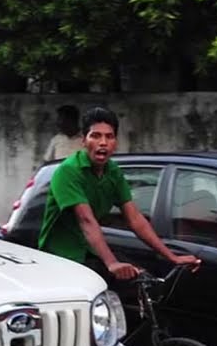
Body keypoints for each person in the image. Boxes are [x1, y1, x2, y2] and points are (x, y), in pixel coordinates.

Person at [37, 106, 200, 281]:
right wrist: (112, 263)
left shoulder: (113, 172)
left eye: (109, 136)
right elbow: (86, 220)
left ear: (115, 142)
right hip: (62, 257)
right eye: (96, 136)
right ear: (84, 141)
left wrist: (172, 257)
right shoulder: (68, 171)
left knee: (143, 279)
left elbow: (135, 219)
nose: (103, 143)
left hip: (90, 251)